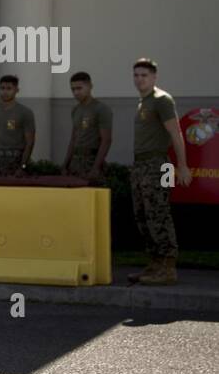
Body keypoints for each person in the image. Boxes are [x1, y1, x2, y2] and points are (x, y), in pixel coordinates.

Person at [128, 58, 192, 286]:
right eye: (136, 75)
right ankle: (155, 264)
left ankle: (168, 267)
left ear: (154, 77)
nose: (139, 79)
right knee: (143, 216)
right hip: (141, 166)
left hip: (159, 165)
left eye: (144, 75)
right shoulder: (143, 102)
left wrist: (182, 166)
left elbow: (176, 134)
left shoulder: (162, 100)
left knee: (159, 213)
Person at [0, 75, 36, 177]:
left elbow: (30, 142)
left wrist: (23, 166)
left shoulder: (25, 112)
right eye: (2, 88)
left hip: (16, 161)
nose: (5, 92)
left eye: (9, 88)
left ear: (16, 90)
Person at [62, 72, 113, 182]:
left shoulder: (101, 109)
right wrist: (65, 164)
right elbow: (73, 138)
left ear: (90, 86)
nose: (76, 92)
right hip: (75, 162)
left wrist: (95, 168)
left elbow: (106, 140)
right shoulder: (75, 110)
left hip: (91, 160)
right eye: (73, 89)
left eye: (79, 88)